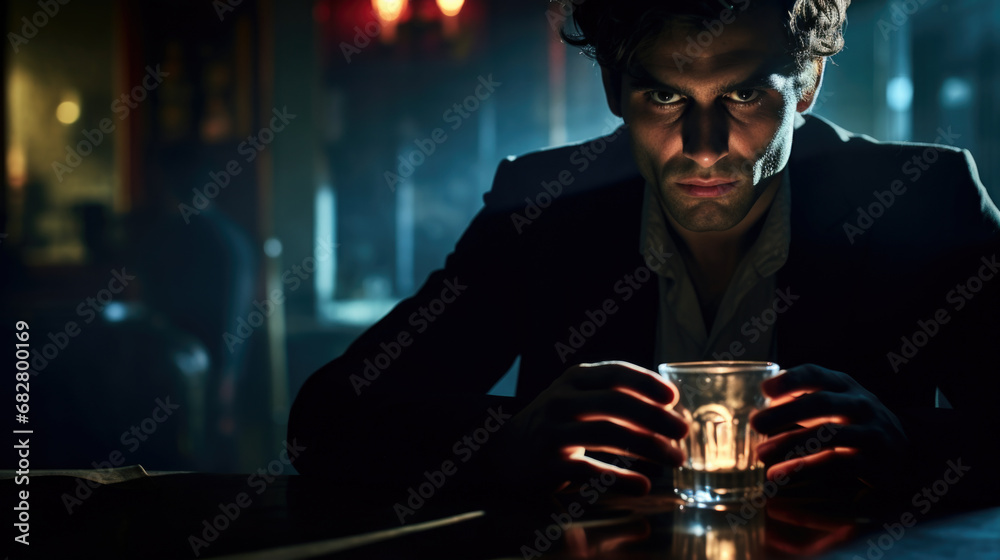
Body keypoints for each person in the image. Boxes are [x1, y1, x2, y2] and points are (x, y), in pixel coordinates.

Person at [288, 0, 1000, 504]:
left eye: (745, 93)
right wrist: (508, 440)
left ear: (808, 85)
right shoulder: (546, 206)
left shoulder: (919, 198)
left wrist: (905, 447)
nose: (702, 145)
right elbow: (326, 422)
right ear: (613, 88)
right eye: (664, 95)